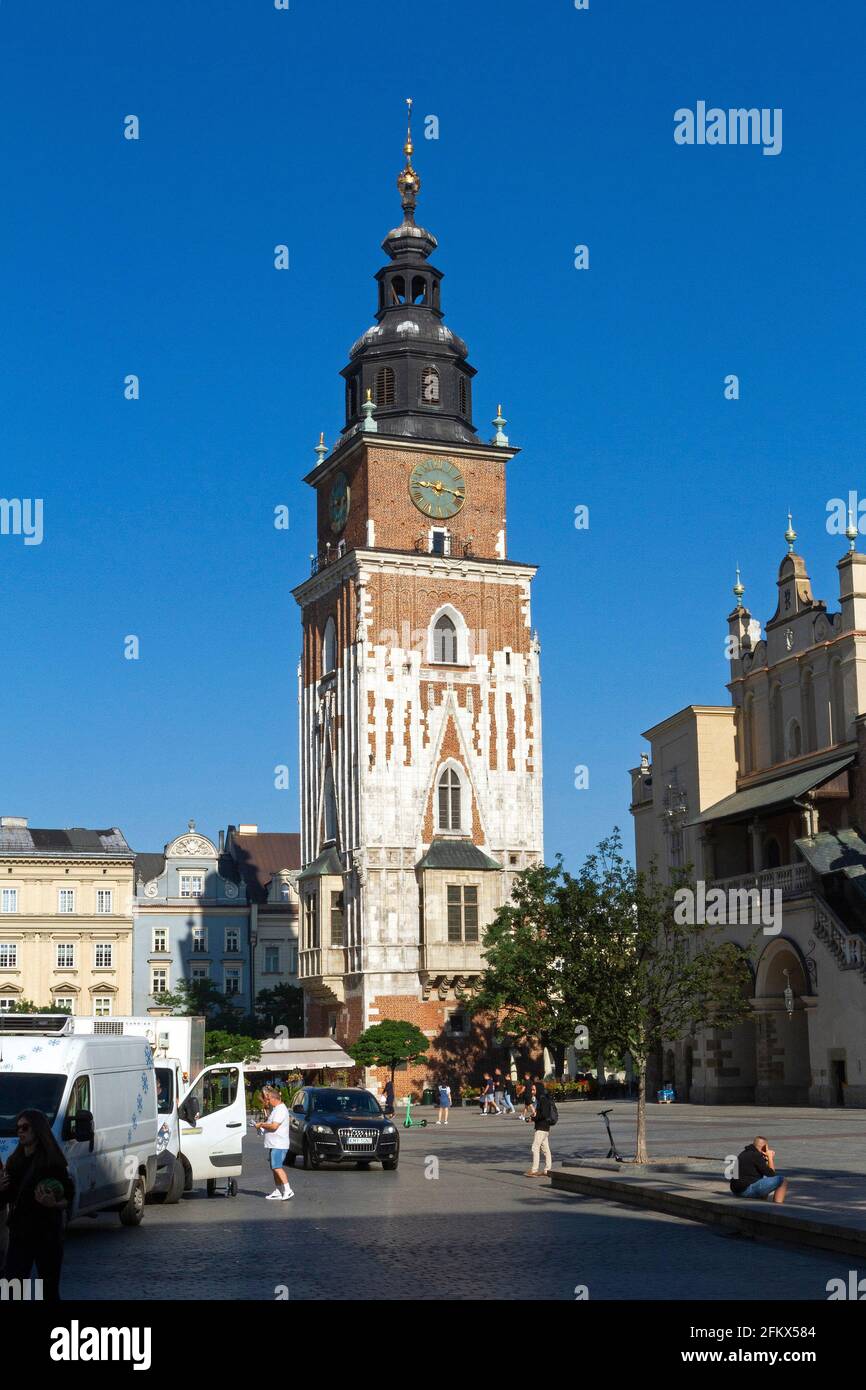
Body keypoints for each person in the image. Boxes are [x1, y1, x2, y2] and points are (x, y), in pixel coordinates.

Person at [0, 1109, 75, 1302]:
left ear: (37, 1130)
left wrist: (54, 1203)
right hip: (20, 1234)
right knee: (12, 1291)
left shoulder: (53, 1162)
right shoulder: (14, 1162)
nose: (20, 1132)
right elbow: (7, 1199)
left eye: (25, 1127)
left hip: (47, 1234)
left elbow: (69, 1197)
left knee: (48, 1292)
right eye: (18, 1128)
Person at [254, 1086, 294, 1202]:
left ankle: (288, 1190)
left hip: (279, 1144)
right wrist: (261, 1127)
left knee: (277, 1167)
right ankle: (278, 1191)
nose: (267, 1102)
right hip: (274, 1144)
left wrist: (261, 1124)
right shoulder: (276, 1109)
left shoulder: (280, 1109)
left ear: (272, 1098)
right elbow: (270, 1124)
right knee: (274, 1167)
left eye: (268, 1099)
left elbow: (274, 1126)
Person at [730, 1136, 788, 1204]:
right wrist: (770, 1157)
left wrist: (765, 1159)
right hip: (745, 1191)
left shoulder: (745, 1153)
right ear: (764, 1147)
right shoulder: (756, 1155)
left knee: (764, 1177)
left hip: (736, 1190)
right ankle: (778, 1206)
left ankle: (761, 1200)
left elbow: (764, 1171)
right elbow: (772, 1174)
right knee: (782, 1180)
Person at [525, 1082, 553, 1177]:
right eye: (532, 1090)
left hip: (542, 1127)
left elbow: (543, 1115)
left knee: (535, 1147)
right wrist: (532, 1117)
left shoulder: (543, 1100)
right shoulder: (542, 1099)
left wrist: (533, 1119)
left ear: (538, 1089)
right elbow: (540, 1114)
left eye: (534, 1089)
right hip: (544, 1127)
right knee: (545, 1149)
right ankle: (547, 1169)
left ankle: (534, 1170)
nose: (532, 1092)